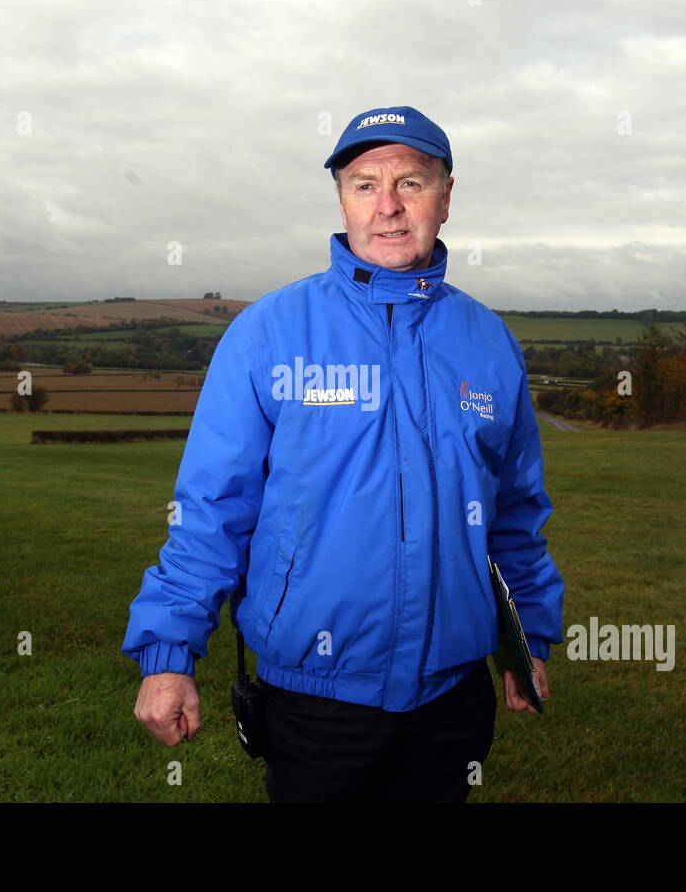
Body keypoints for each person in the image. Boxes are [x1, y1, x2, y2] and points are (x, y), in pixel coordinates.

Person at [123, 105, 565, 802]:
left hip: (452, 699)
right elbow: (212, 511)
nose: (387, 206)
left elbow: (513, 514)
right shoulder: (267, 333)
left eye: (410, 183)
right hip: (314, 703)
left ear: (446, 196)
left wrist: (528, 635)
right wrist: (169, 653)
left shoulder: (489, 343)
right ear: (341, 199)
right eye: (364, 184)